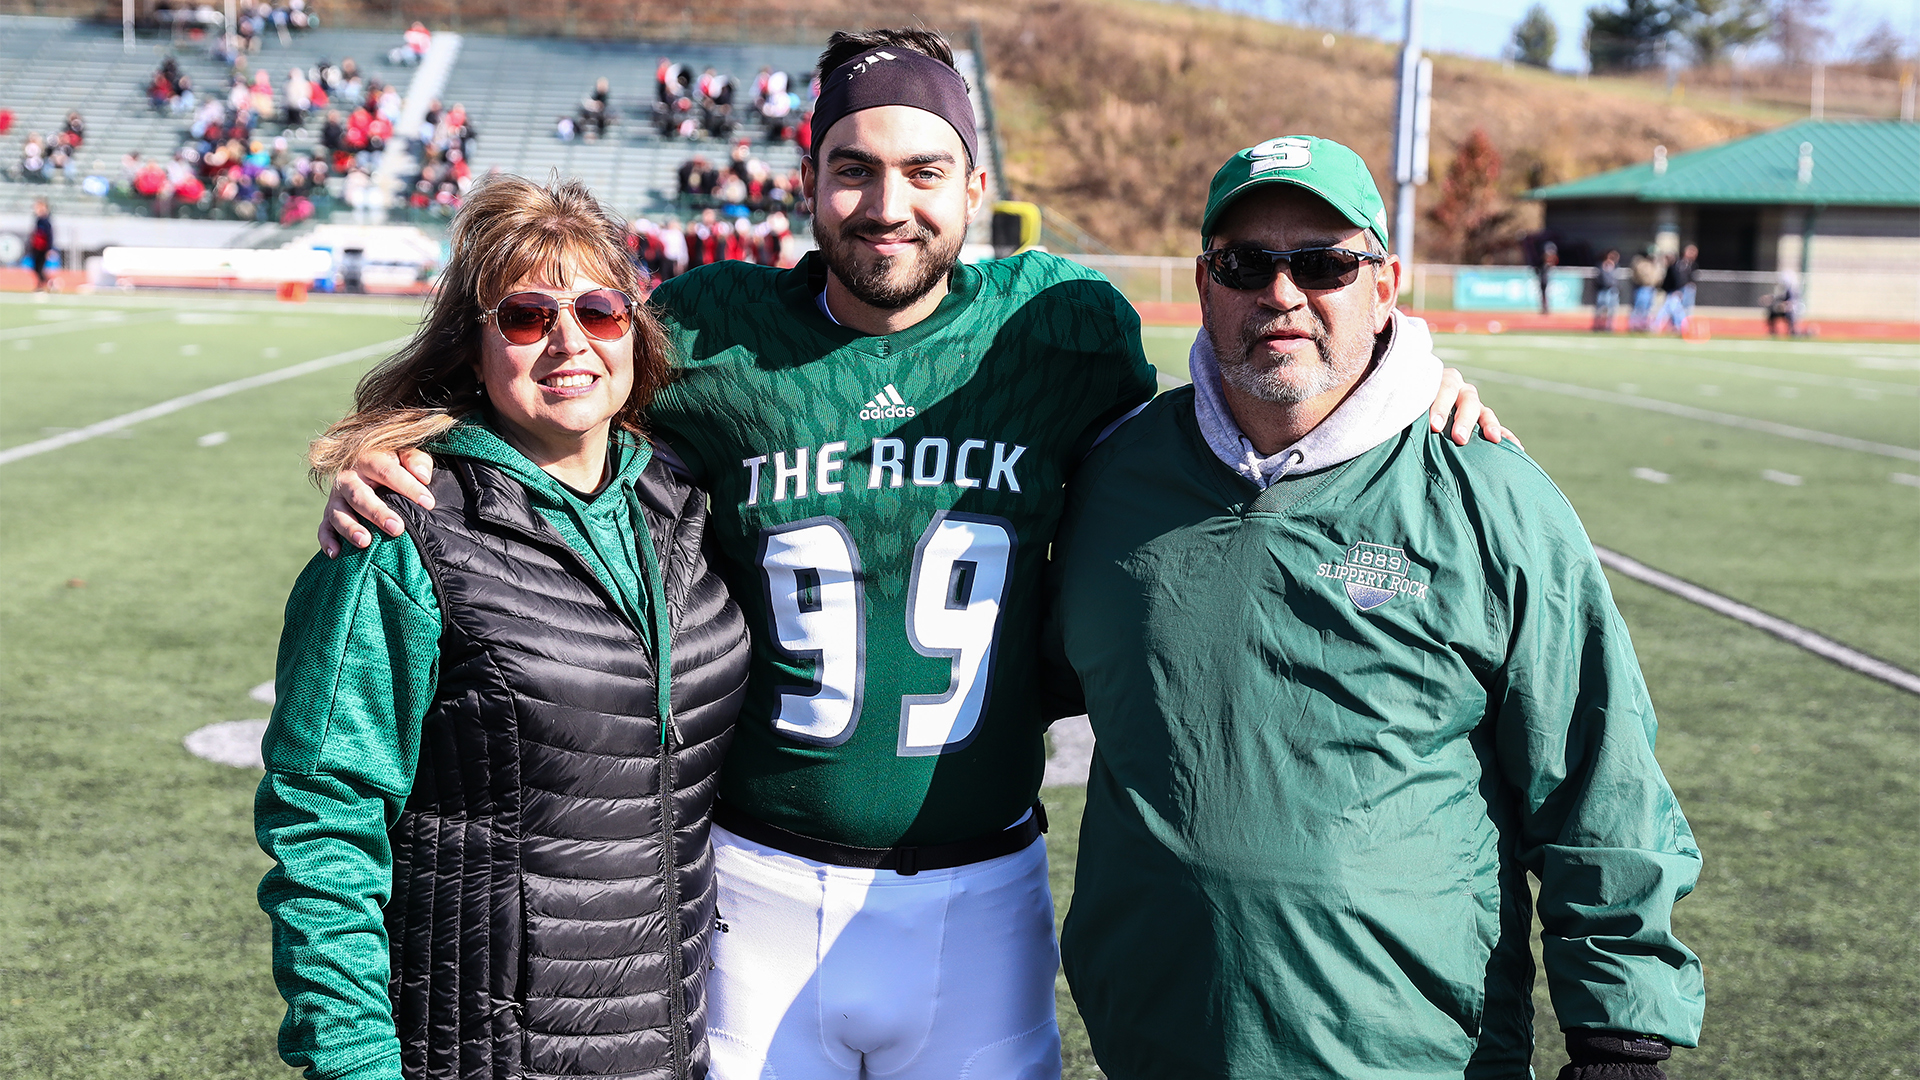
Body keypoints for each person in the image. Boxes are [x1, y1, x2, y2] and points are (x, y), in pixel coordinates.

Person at [317, 29, 1505, 1080]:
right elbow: (562, 392)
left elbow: (1213, 433)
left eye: (926, 171)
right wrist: (409, 443)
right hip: (752, 887)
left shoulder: (1059, 325)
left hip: (983, 894)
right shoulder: (717, 328)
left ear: (977, 185)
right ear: (810, 184)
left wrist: (1402, 381)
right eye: (856, 169)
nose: (890, 204)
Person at [1044, 136, 1703, 1079]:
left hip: (1415, 1051)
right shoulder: (1113, 476)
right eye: (1245, 264)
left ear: (1385, 285)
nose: (1280, 293)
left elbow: (1599, 771)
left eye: (1323, 264)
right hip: (1154, 1041)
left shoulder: (1489, 493)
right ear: (1204, 283)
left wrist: (1620, 1039)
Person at [255, 175, 751, 1080]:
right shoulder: (397, 529)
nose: (570, 340)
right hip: (484, 1054)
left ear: (633, 330)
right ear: (472, 345)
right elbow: (323, 822)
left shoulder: (681, 498)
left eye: (599, 311)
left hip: (667, 1045)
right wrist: (356, 1063)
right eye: (526, 316)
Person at [1653, 243, 1697, 335]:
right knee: (1670, 309)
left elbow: (1681, 279)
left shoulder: (1685, 265)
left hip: (1677, 291)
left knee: (1674, 309)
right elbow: (1675, 280)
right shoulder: (1677, 265)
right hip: (1674, 291)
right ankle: (1680, 327)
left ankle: (1681, 327)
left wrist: (1677, 290)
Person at [1629, 246, 1662, 331]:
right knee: (1639, 308)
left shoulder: (1652, 264)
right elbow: (1644, 277)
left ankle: (1643, 326)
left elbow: (1657, 277)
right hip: (1642, 288)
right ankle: (1634, 326)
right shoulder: (1640, 263)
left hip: (1651, 289)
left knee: (1648, 309)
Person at [1764, 268, 1802, 337]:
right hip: (1782, 310)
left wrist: (1784, 306)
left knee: (1790, 314)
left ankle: (1792, 331)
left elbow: (1791, 303)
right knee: (1771, 313)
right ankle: (1773, 331)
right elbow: (1777, 298)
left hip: (1790, 311)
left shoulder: (1792, 291)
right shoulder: (1781, 289)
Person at [27, 199, 54, 292]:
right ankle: (43, 284)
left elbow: (49, 236)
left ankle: (45, 284)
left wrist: (49, 249)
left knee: (39, 267)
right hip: (36, 248)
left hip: (43, 248)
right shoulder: (38, 220)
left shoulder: (45, 221)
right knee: (36, 267)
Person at [1592, 248, 1620, 332]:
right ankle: (1598, 326)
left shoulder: (1616, 267)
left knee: (1611, 310)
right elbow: (1600, 278)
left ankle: (1609, 326)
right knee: (1600, 309)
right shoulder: (1603, 265)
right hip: (1603, 290)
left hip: (1613, 290)